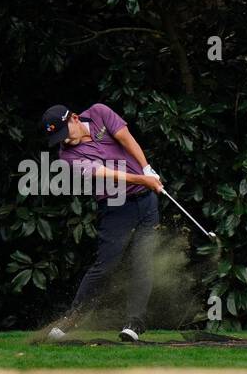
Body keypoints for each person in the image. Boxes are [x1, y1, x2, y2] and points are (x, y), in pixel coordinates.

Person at [40, 103, 163, 342]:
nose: (64, 142)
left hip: (147, 203)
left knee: (143, 262)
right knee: (106, 265)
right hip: (115, 206)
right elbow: (108, 173)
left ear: (74, 118)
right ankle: (71, 320)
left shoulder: (99, 113)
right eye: (58, 139)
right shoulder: (67, 158)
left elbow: (127, 139)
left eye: (65, 134)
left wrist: (147, 169)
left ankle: (134, 325)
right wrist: (143, 179)